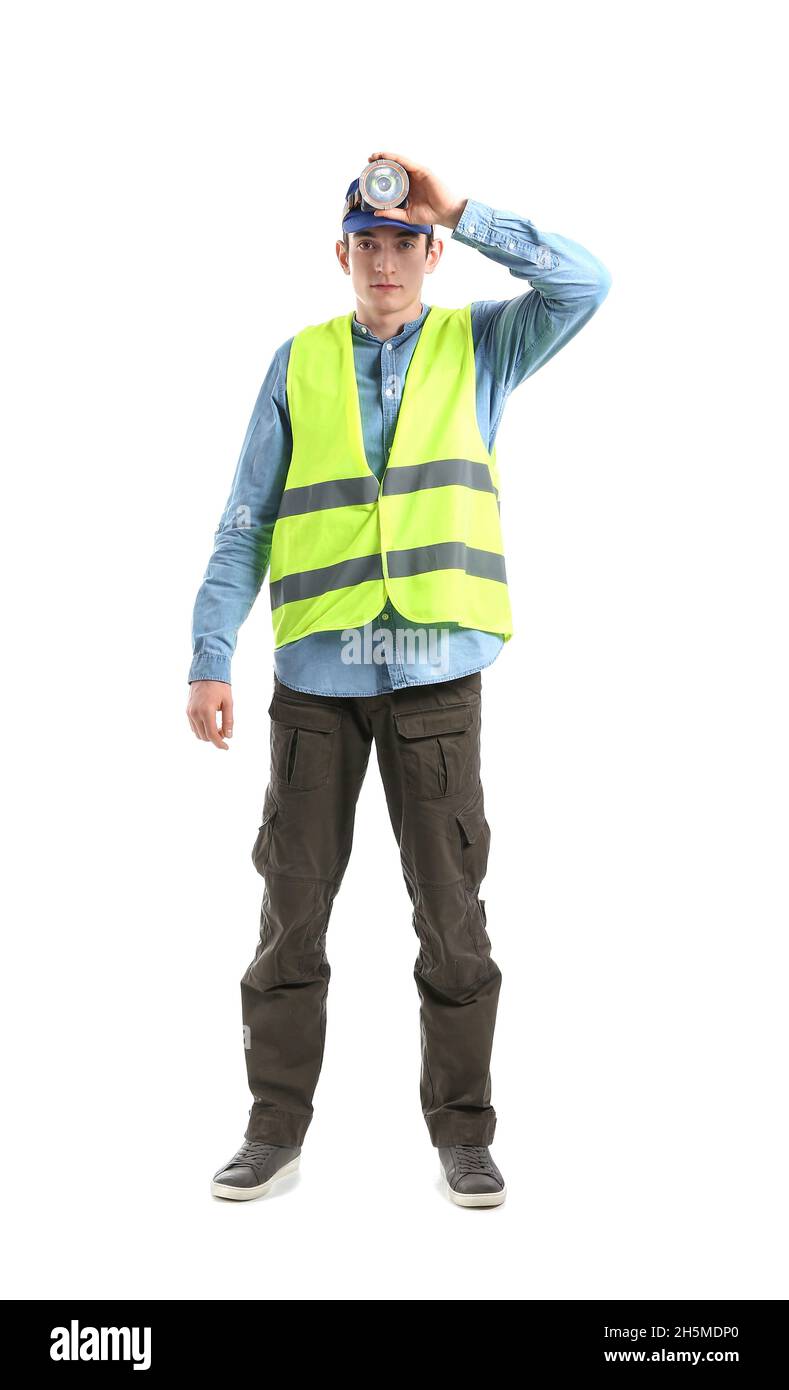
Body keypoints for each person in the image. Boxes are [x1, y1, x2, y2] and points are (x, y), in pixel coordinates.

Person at [186, 150, 612, 1207]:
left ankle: (464, 1135)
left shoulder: (484, 348)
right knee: (291, 915)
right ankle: (272, 1130)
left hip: (434, 683)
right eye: (368, 245)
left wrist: (464, 208)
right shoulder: (298, 362)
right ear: (343, 255)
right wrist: (209, 654)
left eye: (405, 244)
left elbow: (586, 282)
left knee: (453, 918)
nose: (386, 263)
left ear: (430, 254)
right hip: (318, 685)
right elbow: (246, 520)